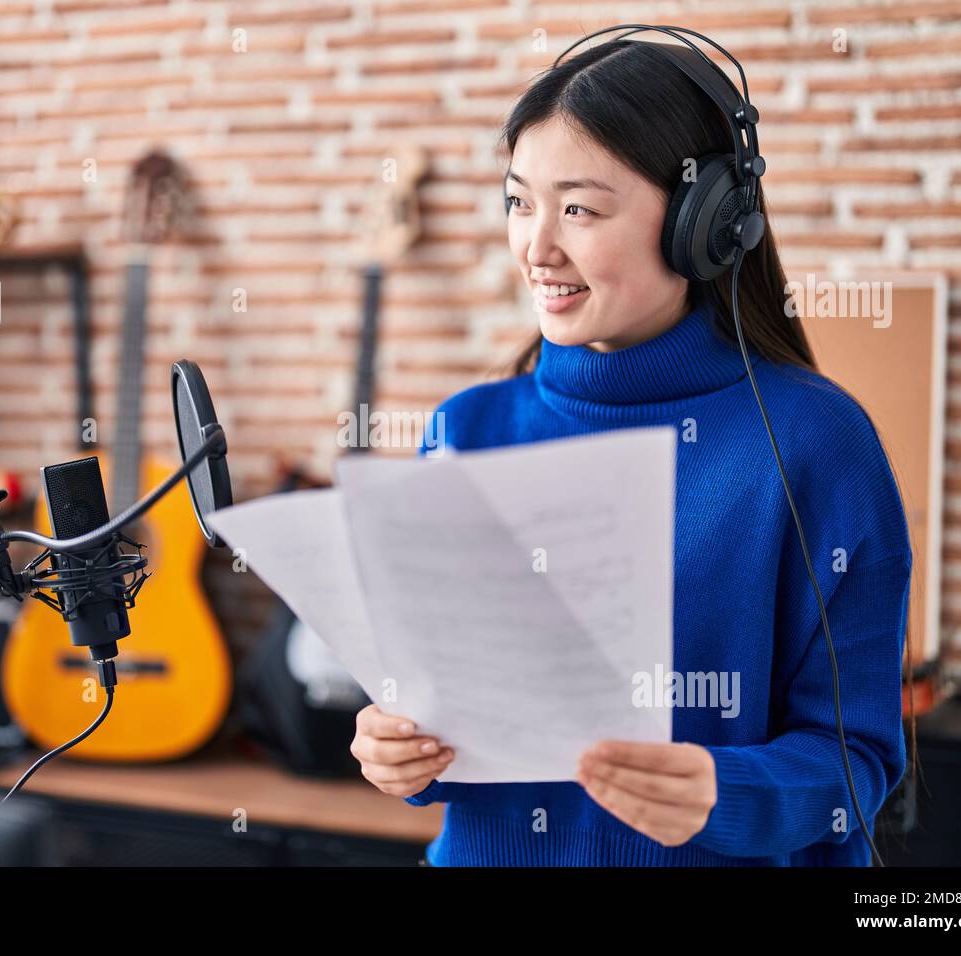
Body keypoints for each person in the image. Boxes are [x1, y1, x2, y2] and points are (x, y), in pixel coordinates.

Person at [349, 35, 913, 866]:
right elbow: (449, 715)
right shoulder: (464, 431)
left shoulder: (816, 442)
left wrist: (728, 792)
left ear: (705, 223)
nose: (537, 248)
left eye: (578, 208)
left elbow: (857, 763)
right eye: (518, 202)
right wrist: (398, 750)